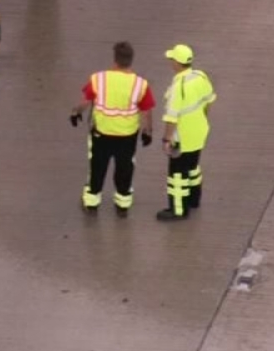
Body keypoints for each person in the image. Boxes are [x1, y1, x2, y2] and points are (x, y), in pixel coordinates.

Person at [70, 41, 155, 216]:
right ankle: (123, 203)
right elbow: (147, 111)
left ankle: (92, 202)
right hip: (127, 135)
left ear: (115, 60)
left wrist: (75, 112)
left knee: (97, 166)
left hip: (102, 132)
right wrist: (148, 132)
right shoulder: (140, 84)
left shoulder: (99, 79)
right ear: (130, 61)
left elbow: (86, 101)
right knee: (125, 167)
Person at [157, 44, 216, 222]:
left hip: (182, 137)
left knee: (177, 175)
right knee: (193, 167)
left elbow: (171, 117)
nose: (170, 62)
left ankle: (178, 209)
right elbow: (209, 101)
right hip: (199, 132)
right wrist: (202, 119)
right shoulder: (200, 77)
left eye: (171, 59)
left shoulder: (178, 87)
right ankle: (194, 200)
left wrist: (166, 139)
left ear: (176, 62)